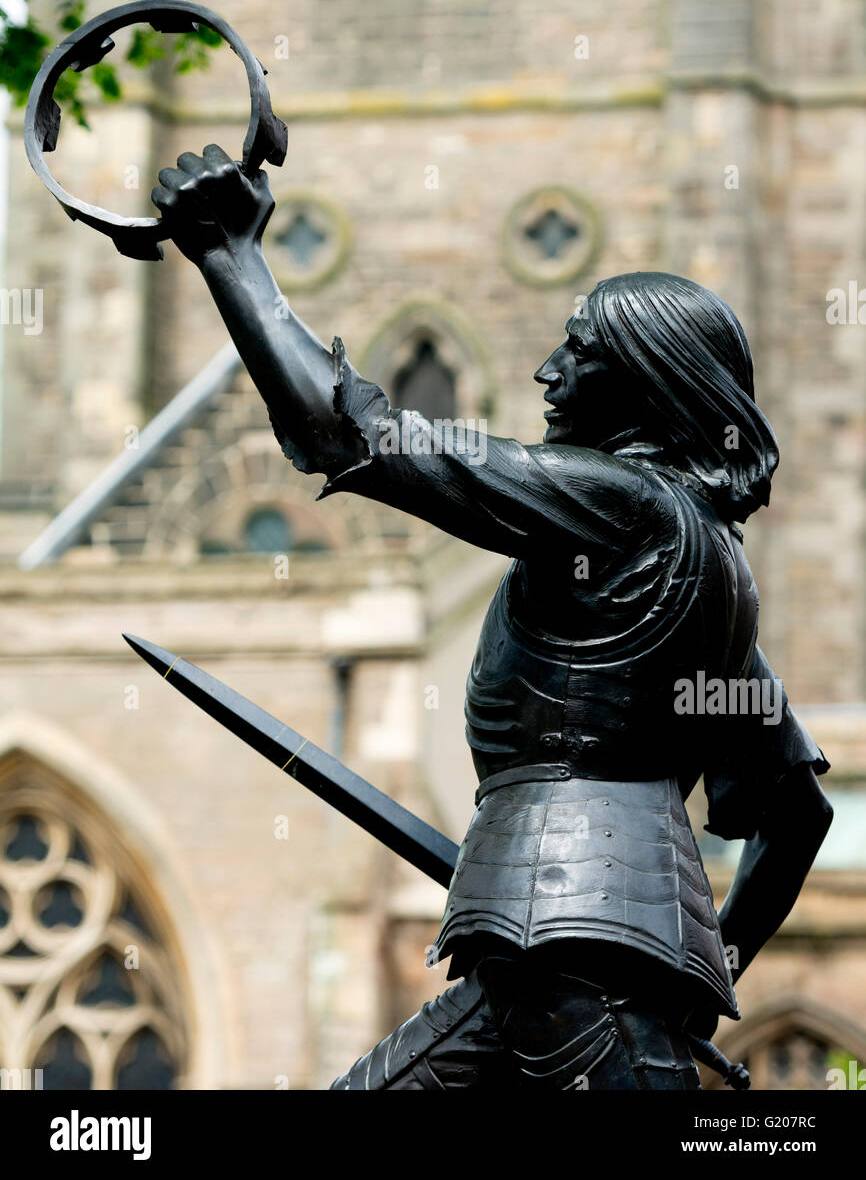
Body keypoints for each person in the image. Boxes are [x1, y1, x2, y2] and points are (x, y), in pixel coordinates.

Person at [151, 146, 833, 1091]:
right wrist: (701, 968)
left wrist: (229, 255)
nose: (550, 371)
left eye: (580, 352)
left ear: (643, 381)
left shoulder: (618, 505)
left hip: (560, 971)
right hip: (557, 968)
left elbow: (344, 434)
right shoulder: (716, 572)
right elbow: (796, 812)